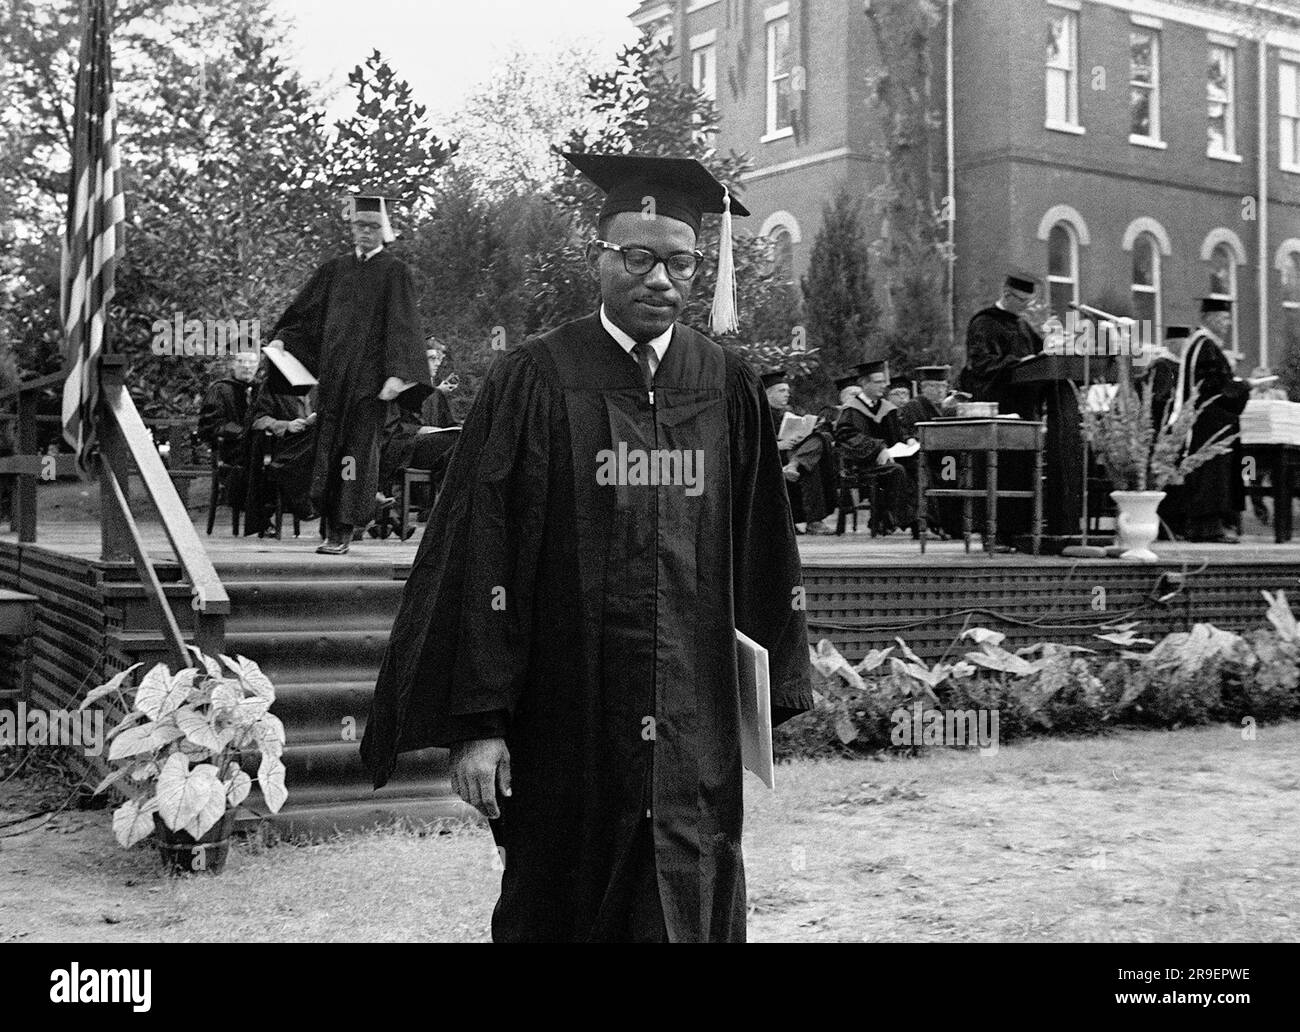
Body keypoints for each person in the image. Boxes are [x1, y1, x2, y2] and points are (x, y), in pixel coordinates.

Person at [361, 152, 811, 943]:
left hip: (689, 718)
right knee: (561, 899)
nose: (659, 279)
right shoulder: (534, 377)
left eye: (679, 261)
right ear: (598, 258)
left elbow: (762, 547)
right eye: (637, 257)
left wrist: (765, 697)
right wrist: (480, 720)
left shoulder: (726, 383)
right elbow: (480, 554)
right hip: (565, 715)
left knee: (690, 890)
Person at [267, 194, 432, 554]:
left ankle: (342, 528)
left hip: (369, 384)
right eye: (360, 226)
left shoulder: (394, 272)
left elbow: (403, 326)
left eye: (374, 227)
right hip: (333, 380)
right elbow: (306, 315)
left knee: (354, 452)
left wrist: (398, 374)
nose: (366, 233)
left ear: (384, 231)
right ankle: (338, 521)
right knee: (328, 450)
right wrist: (282, 339)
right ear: (352, 228)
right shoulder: (334, 270)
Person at [959, 272, 1050, 549]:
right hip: (998, 406)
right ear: (1007, 294)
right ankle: (993, 534)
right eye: (1021, 300)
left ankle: (1020, 532)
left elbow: (1040, 358)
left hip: (1024, 410)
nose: (1025, 307)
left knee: (1022, 472)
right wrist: (1017, 363)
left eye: (1029, 301)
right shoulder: (984, 323)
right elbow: (981, 364)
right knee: (997, 471)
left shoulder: (1023, 326)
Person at [1170, 298, 1250, 542]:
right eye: (1224, 318)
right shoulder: (1204, 346)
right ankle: (1206, 529)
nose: (1228, 323)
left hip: (1213, 421)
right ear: (1210, 318)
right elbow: (1214, 386)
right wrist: (1242, 386)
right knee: (1210, 471)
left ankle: (1210, 526)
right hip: (1208, 423)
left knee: (1214, 471)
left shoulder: (1206, 346)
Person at [376, 341, 461, 536]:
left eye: (438, 358)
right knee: (455, 444)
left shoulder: (432, 392)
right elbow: (397, 425)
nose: (437, 362)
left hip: (427, 442)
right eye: (431, 358)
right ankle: (441, 508)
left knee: (459, 439)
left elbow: (447, 422)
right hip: (405, 444)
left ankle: (440, 506)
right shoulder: (405, 387)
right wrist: (421, 429)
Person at [833, 359, 914, 532]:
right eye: (878, 382)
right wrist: (878, 449)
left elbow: (898, 435)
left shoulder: (887, 408)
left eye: (884, 382)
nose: (883, 386)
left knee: (917, 466)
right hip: (861, 465)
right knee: (897, 471)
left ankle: (923, 521)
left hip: (889, 461)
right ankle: (898, 520)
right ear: (864, 383)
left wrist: (909, 440)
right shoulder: (851, 411)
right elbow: (847, 437)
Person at [896, 364, 960, 538]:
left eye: (943, 386)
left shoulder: (950, 408)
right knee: (921, 473)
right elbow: (905, 432)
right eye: (933, 386)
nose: (939, 391)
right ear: (923, 387)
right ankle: (927, 522)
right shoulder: (913, 406)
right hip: (922, 457)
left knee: (953, 474)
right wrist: (911, 439)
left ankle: (951, 525)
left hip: (945, 458)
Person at [198, 350, 257, 513]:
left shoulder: (260, 389)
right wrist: (243, 433)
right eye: (241, 361)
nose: (247, 366)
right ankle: (258, 517)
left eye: (252, 362)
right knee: (251, 462)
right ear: (232, 365)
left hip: (257, 446)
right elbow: (211, 425)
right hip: (230, 449)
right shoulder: (220, 389)